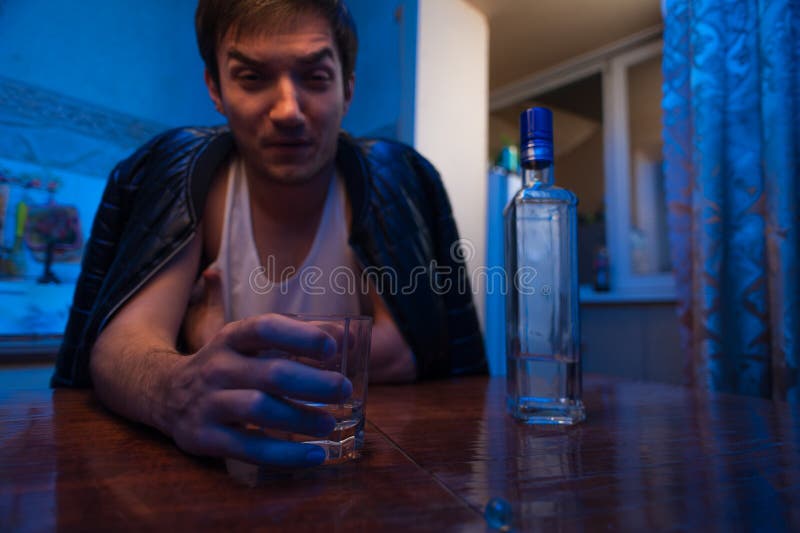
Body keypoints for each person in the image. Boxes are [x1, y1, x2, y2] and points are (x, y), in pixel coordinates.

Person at [52, 0, 485, 468]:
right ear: (215, 88)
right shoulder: (184, 176)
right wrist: (174, 387)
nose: (288, 110)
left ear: (348, 89)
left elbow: (406, 350)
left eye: (315, 78)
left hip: (372, 469)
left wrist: (221, 345)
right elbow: (120, 346)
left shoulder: (394, 180)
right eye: (252, 77)